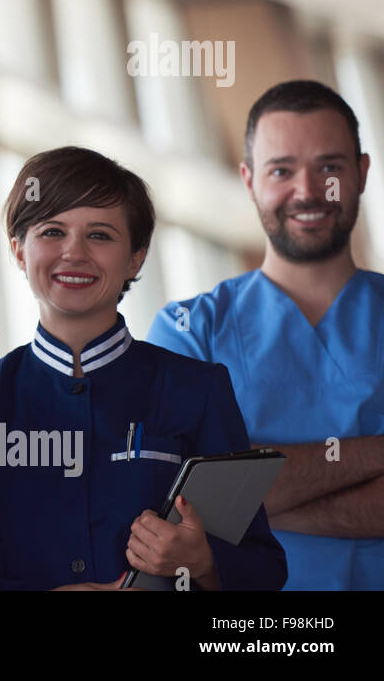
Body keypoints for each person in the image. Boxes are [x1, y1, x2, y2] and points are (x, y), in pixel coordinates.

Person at [0, 147, 286, 591]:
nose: (74, 253)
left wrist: (205, 562)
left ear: (136, 257)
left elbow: (264, 569)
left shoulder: (198, 390)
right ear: (19, 251)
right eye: (53, 231)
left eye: (100, 235)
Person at [147, 80, 383, 590]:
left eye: (329, 167)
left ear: (361, 174)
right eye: (282, 171)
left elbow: (209, 500)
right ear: (249, 180)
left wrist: (243, 504)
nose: (307, 191)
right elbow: (177, 497)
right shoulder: (190, 331)